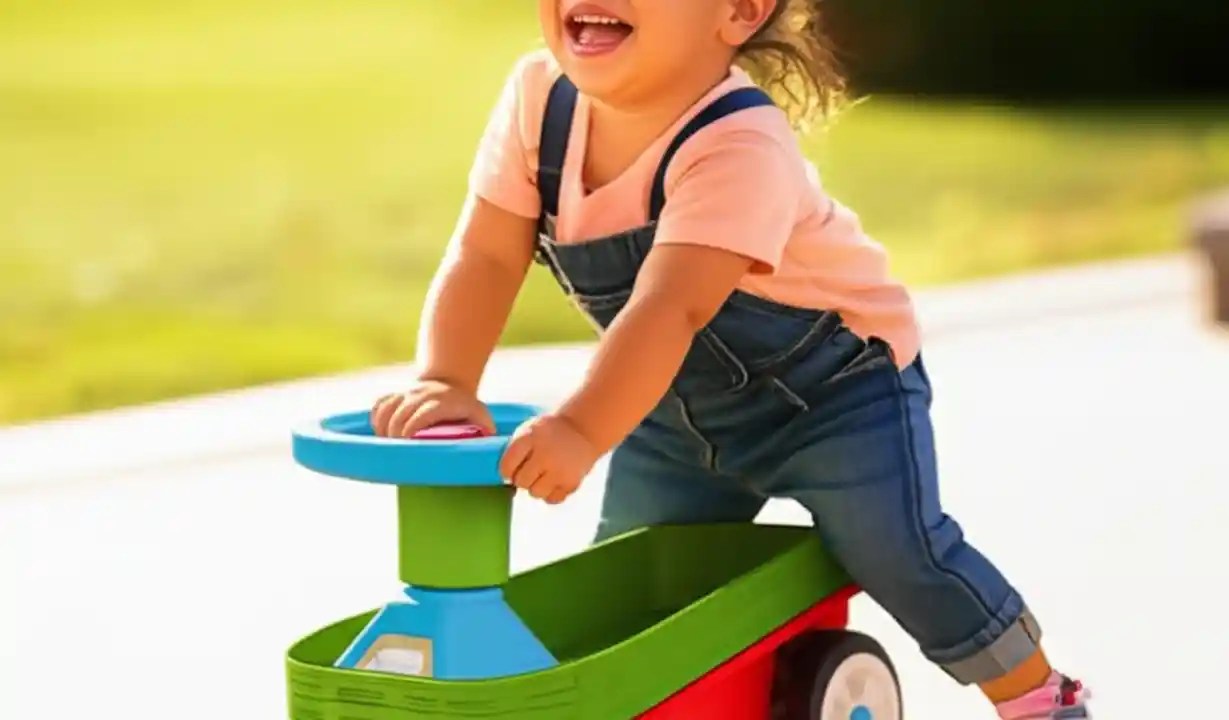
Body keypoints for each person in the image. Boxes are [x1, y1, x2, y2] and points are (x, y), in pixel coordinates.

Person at [371, 1, 1092, 717]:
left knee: (900, 553)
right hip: (673, 409)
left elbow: (669, 307)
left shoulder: (740, 144)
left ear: (740, 11)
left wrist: (583, 431)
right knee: (631, 587)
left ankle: (1038, 695)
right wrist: (447, 379)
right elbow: (486, 254)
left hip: (835, 398)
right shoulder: (539, 102)